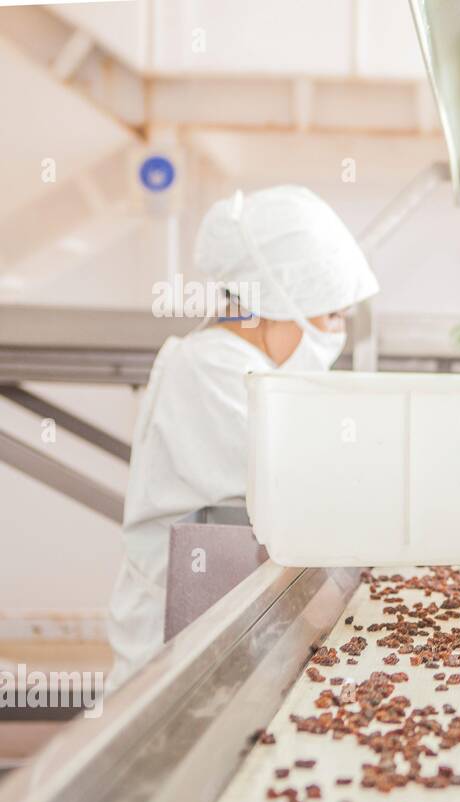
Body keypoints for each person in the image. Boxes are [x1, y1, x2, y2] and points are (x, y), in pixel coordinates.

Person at [106, 185, 378, 688]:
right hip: (174, 655)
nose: (335, 331)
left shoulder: (250, 368)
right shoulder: (212, 369)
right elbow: (305, 491)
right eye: (330, 313)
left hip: (224, 639)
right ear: (280, 303)